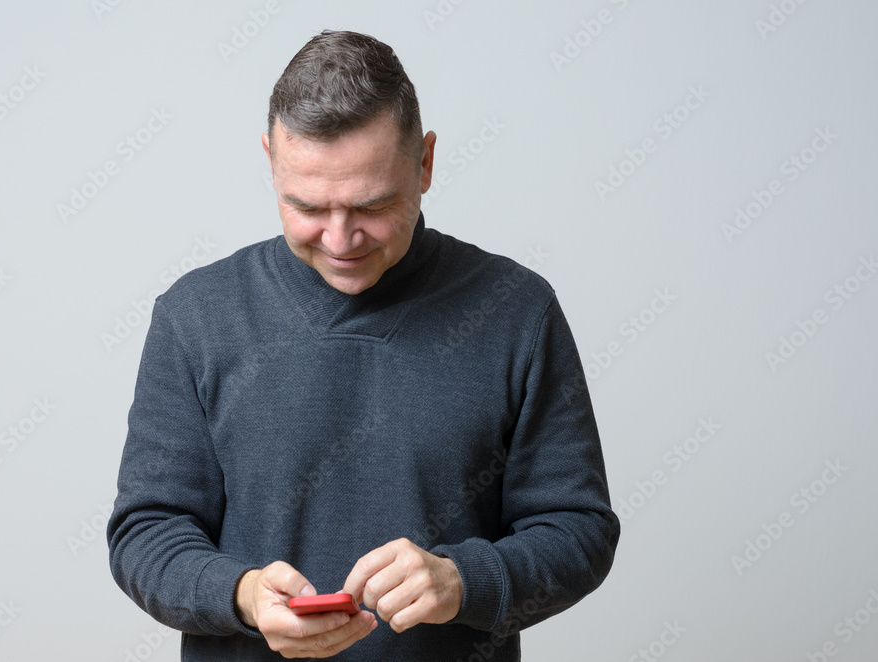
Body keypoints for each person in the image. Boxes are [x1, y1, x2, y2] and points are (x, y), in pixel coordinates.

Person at [107, 29, 619, 661]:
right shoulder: (196, 316)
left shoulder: (516, 311)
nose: (341, 238)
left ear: (426, 164)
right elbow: (146, 532)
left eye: (372, 206)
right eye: (307, 206)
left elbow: (579, 532)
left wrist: (465, 582)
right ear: (271, 161)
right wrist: (240, 593)